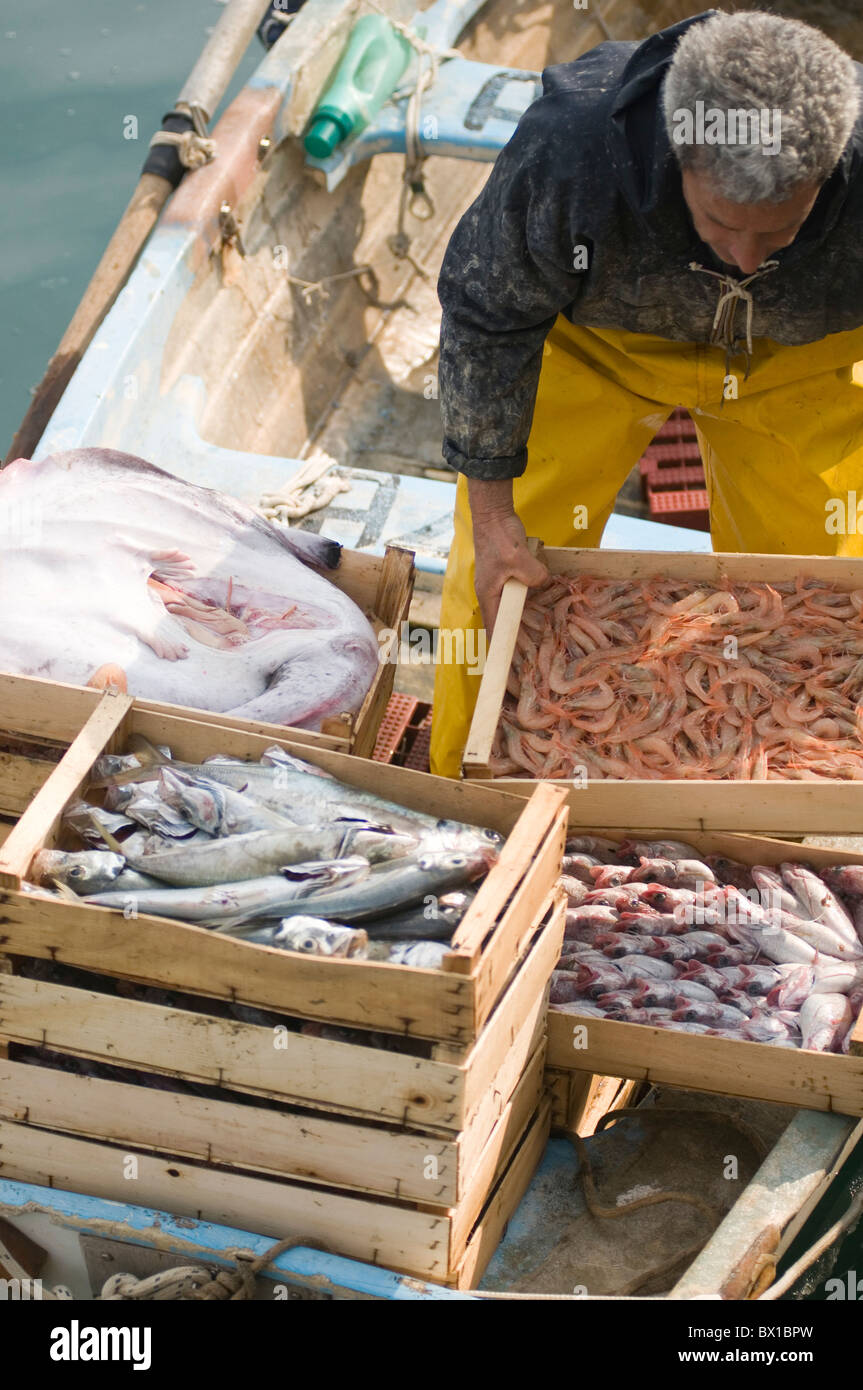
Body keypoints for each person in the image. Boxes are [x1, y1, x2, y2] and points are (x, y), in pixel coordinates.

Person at [429, 8, 863, 778]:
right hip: (597, 346)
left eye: (779, 233)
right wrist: (495, 519)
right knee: (496, 579)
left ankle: (788, 801)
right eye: (720, 224)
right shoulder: (568, 153)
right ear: (676, 155)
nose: (742, 258)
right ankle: (466, 792)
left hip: (798, 357)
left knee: (816, 596)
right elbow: (486, 314)